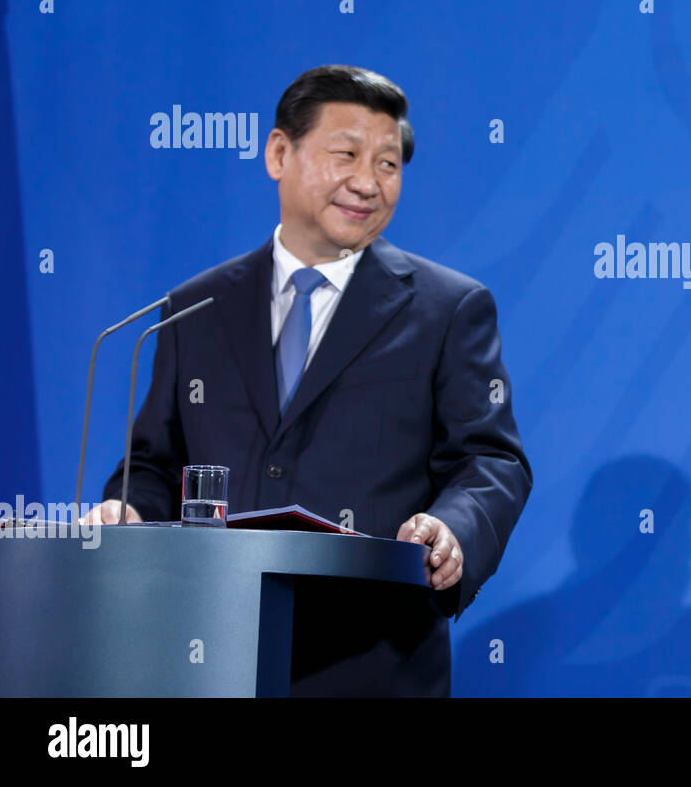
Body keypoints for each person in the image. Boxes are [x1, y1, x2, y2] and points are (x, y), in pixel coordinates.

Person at [89, 65, 532, 695]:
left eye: (388, 164)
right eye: (345, 155)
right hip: (206, 657)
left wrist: (453, 529)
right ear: (278, 153)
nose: (367, 182)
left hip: (371, 663)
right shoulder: (196, 308)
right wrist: (129, 513)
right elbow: (156, 465)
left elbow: (491, 461)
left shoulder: (447, 309)